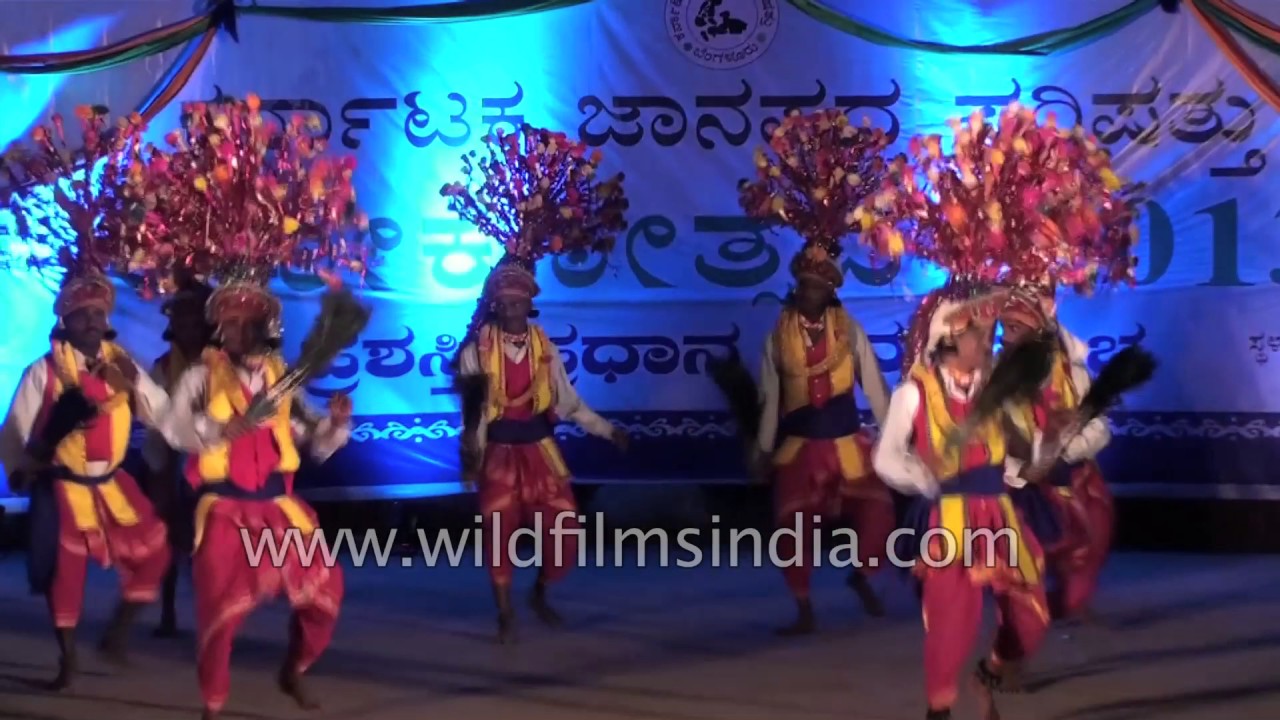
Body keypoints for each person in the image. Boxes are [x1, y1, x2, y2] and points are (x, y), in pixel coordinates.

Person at [157, 271, 352, 720]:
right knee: (220, 608)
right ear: (219, 330)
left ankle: (294, 668)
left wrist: (337, 425)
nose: (241, 333)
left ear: (267, 330)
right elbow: (172, 428)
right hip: (224, 506)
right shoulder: (201, 378)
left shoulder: (284, 384)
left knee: (326, 590)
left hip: (278, 507)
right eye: (232, 324)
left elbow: (313, 441)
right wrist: (216, 429)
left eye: (250, 325)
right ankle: (212, 704)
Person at [872, 286, 1050, 720]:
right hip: (949, 519)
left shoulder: (1000, 388)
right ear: (949, 338)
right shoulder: (913, 394)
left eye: (988, 335)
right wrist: (923, 477)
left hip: (999, 514)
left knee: (1031, 619)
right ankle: (941, 709)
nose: (986, 342)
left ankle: (988, 672)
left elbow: (1029, 447)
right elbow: (886, 458)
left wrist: (1023, 461)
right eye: (978, 334)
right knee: (950, 626)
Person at [0, 266, 172, 690]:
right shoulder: (43, 372)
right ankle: (69, 660)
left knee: (155, 550)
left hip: (112, 483)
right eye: (83, 314)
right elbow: (14, 431)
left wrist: (139, 387)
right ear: (65, 321)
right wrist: (21, 468)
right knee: (65, 575)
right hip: (63, 485)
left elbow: (160, 413)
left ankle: (116, 634)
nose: (93, 320)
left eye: (99, 313)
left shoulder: (123, 364)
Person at [457, 257, 628, 644]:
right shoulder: (478, 351)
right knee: (498, 532)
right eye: (502, 305)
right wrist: (471, 459)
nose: (510, 311)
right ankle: (504, 612)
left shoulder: (544, 347)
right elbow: (473, 415)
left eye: (516, 304)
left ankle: (539, 592)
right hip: (499, 453)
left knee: (565, 527)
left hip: (540, 452)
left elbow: (568, 402)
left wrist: (607, 430)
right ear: (494, 307)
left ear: (529, 305)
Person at [755, 241, 893, 635]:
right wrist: (764, 449)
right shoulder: (777, 337)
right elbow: (770, 397)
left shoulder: (849, 331)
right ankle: (803, 607)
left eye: (815, 287)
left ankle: (864, 577)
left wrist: (891, 434)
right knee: (793, 526)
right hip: (801, 446)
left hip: (848, 441)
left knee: (878, 511)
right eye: (802, 286)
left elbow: (873, 383)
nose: (806, 293)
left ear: (830, 291)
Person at [999, 286, 1112, 622]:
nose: (1005, 338)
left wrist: (1061, 453)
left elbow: (1100, 428)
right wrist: (1021, 466)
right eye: (1003, 328)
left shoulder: (1072, 374)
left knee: (1091, 538)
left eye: (1014, 328)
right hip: (1020, 481)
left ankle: (1068, 600)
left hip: (1072, 479)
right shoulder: (996, 376)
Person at [141, 278, 215, 637]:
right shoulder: (164, 366)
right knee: (171, 538)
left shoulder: (223, 365)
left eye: (194, 321)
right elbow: (157, 423)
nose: (188, 328)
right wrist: (159, 469)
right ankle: (168, 612)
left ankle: (213, 613)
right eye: (182, 321)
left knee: (211, 544)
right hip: (174, 460)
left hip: (216, 460)